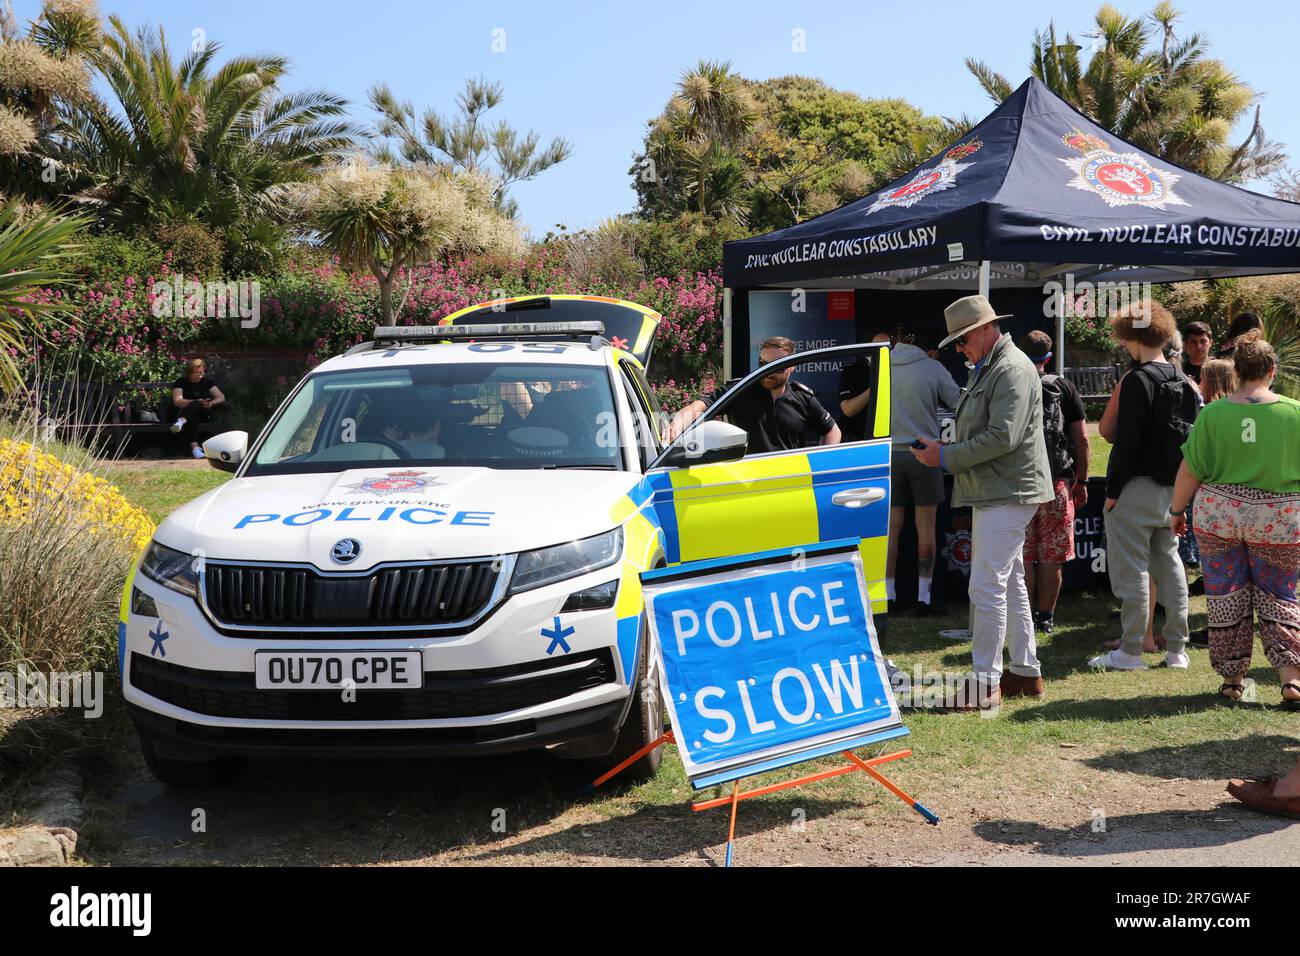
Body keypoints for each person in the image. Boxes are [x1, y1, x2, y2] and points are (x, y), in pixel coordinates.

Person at [911, 295, 1053, 708]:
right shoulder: (996, 365)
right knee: (1005, 581)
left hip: (1006, 490)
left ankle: (983, 684)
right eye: (955, 343)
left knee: (986, 585)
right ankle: (1025, 672)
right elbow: (989, 432)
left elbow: (1002, 437)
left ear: (986, 329)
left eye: (962, 339)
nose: (959, 348)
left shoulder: (1009, 368)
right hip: (1000, 488)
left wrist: (945, 455)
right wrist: (946, 447)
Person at [1169, 330, 1300, 706]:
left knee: (1226, 594)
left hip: (1219, 514)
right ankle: (1291, 679)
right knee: (1279, 592)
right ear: (1272, 369)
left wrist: (1177, 511)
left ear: (1237, 371)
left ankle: (1232, 680)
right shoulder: (1294, 413)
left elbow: (1190, 469)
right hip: (1278, 517)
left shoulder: (1213, 413)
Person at [1089, 300, 1195, 672]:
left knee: (1132, 570)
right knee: (1170, 567)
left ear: (1132, 337)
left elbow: (1125, 443)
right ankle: (1178, 650)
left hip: (1135, 489)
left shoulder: (1136, 380)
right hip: (1171, 491)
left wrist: (1113, 492)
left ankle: (1131, 650)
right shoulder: (1185, 381)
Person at [881, 330, 961, 612]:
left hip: (888, 453)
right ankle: (925, 597)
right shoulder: (933, 367)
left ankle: (888, 594)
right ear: (932, 351)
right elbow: (958, 403)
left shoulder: (883, 362)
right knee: (925, 528)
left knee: (891, 530)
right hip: (922, 451)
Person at [1019, 331, 1089, 634]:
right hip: (1057, 483)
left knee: (1024, 556)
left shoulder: (1012, 384)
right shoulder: (1065, 387)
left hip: (1019, 483)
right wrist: (1082, 480)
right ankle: (1045, 618)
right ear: (1049, 357)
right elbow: (1082, 439)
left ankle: (1023, 619)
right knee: (1051, 556)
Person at [666, 336, 841, 451]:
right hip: (746, 482)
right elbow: (701, 405)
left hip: (791, 482)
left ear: (792, 367)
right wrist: (677, 424)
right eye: (763, 364)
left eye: (777, 366)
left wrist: (822, 462)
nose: (768, 371)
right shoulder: (740, 390)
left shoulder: (802, 397)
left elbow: (833, 431)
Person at [837, 326, 892, 442]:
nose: (884, 350)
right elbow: (848, 410)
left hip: (890, 437)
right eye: (879, 346)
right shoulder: (853, 371)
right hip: (858, 438)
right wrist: (876, 386)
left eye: (888, 346)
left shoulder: (897, 370)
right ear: (868, 349)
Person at [170, 358, 225, 459]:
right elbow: (177, 401)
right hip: (185, 412)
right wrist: (197, 402)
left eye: (201, 373)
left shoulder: (207, 382)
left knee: (194, 409)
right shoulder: (181, 382)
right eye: (196, 373)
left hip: (204, 414)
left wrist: (210, 403)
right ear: (189, 372)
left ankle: (181, 422)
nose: (199, 375)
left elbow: (221, 397)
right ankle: (195, 449)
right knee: (193, 412)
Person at [1180, 321, 1213, 386]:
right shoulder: (1179, 371)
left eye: (1203, 341)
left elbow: (1230, 395)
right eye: (1193, 341)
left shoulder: (1220, 369)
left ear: (1210, 343)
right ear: (1185, 344)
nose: (1199, 346)